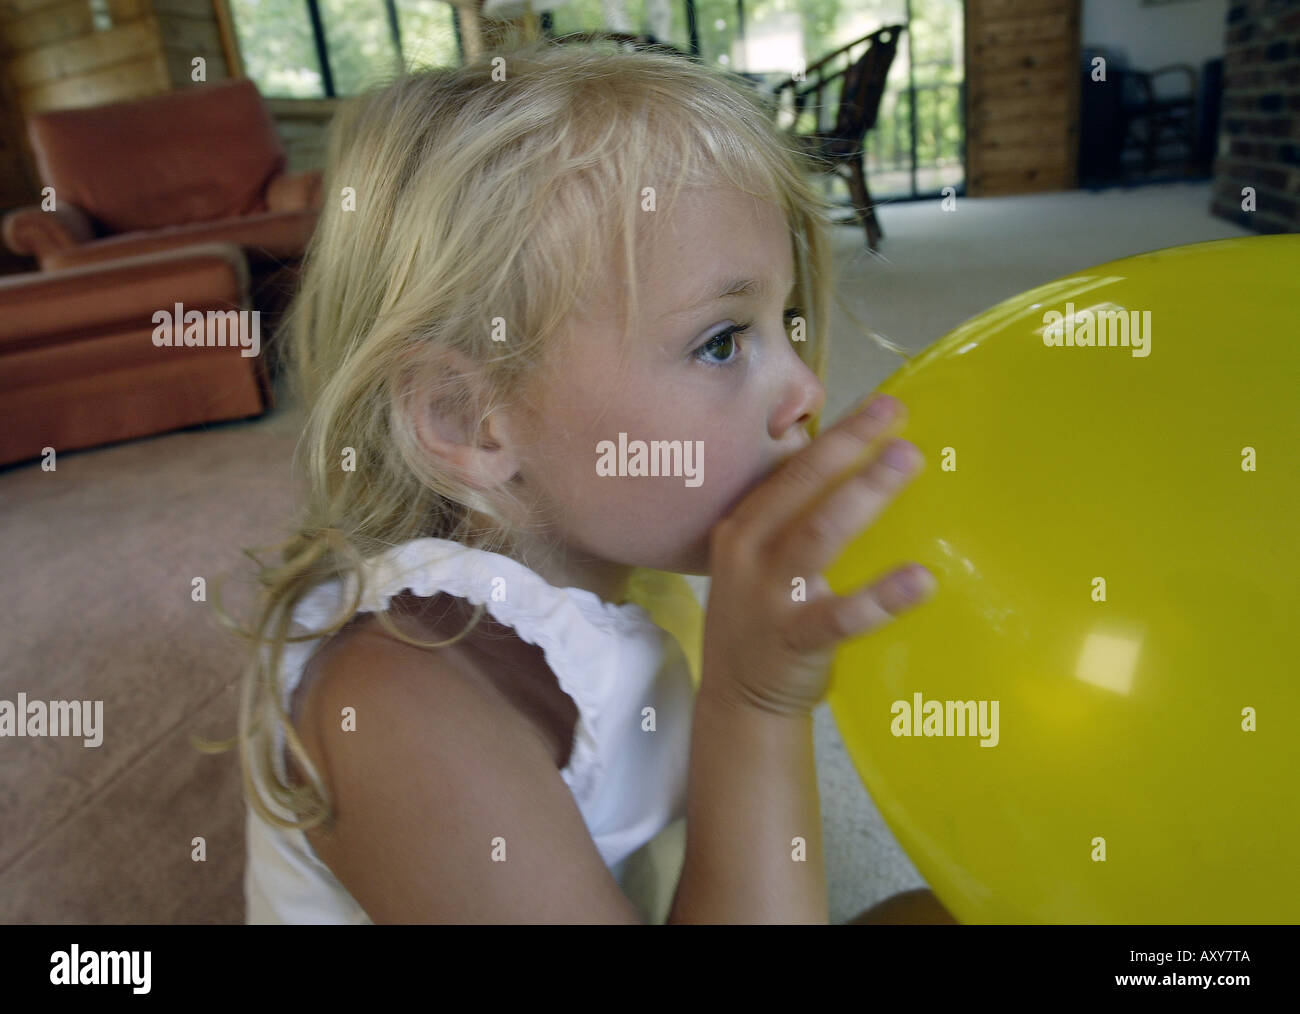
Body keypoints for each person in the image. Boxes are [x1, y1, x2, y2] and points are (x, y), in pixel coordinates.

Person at [205, 29, 953, 925]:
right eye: (721, 341)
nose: (805, 390)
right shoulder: (403, 706)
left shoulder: (600, 574)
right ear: (469, 420)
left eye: (784, 318)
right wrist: (755, 702)